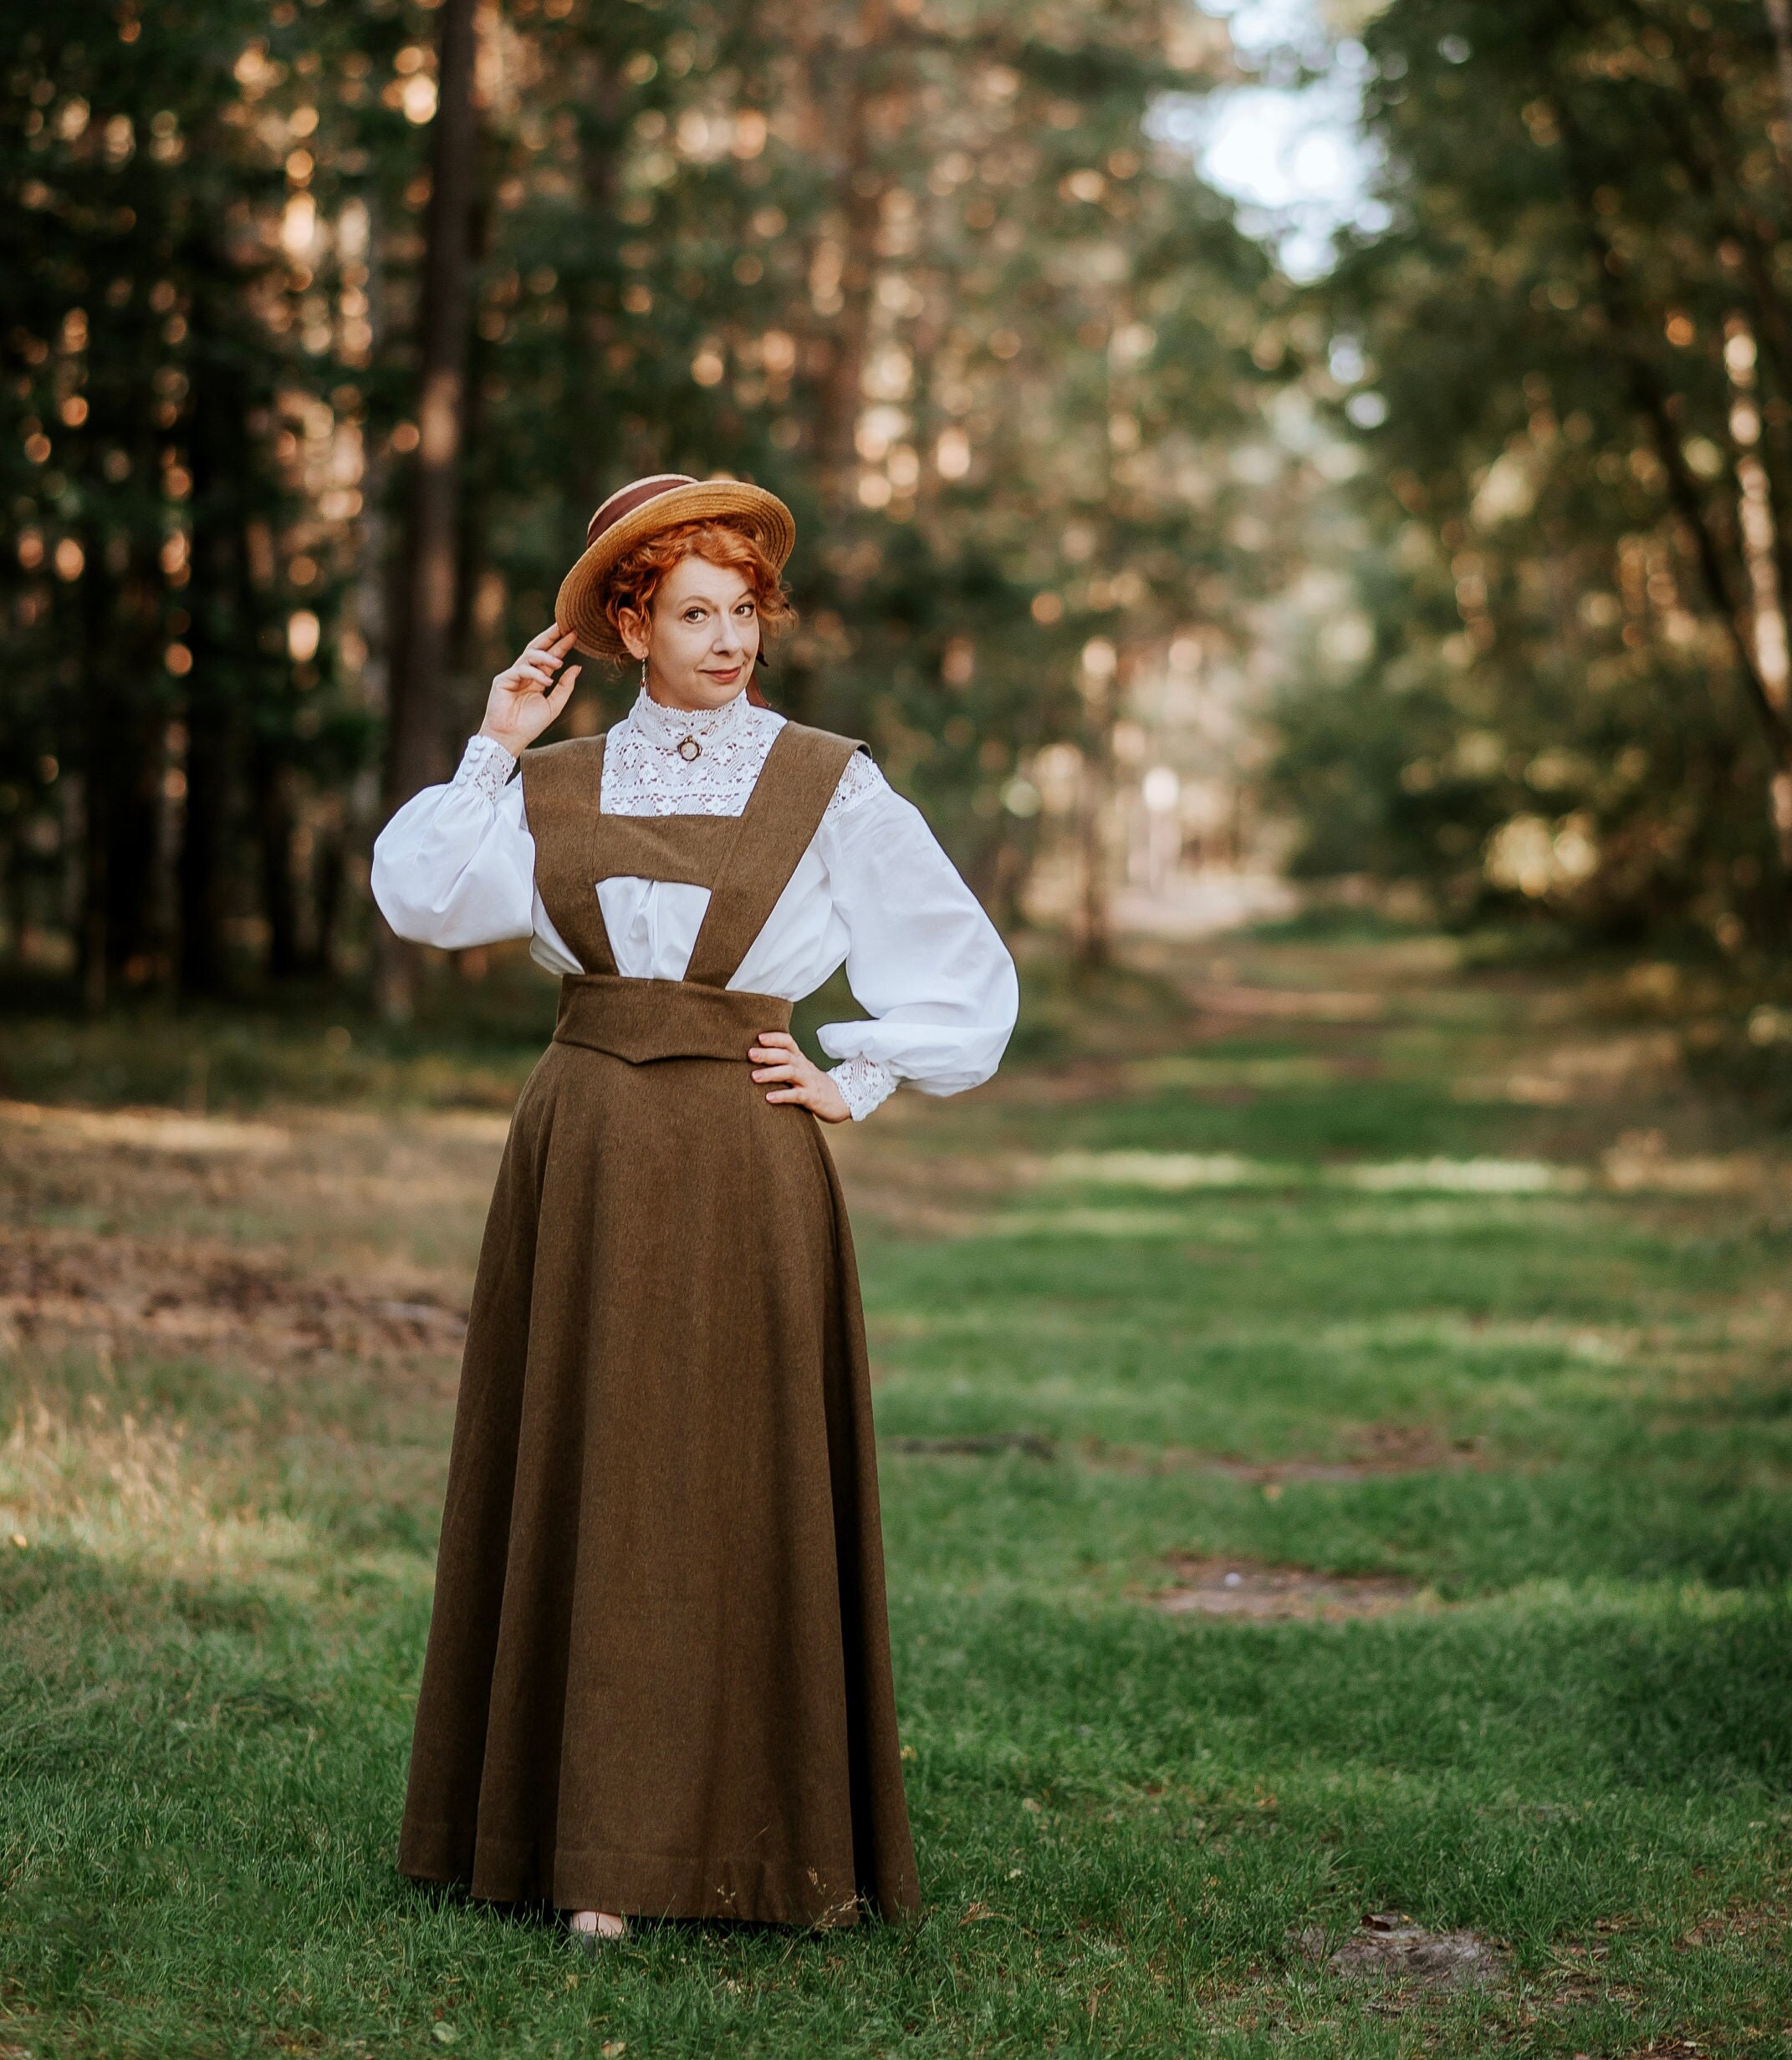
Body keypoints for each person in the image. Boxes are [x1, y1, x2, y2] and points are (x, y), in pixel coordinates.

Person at [370, 472, 1018, 1940]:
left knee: (734, 1478)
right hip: (586, 1146)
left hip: (743, 1155)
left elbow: (960, 974)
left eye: (746, 613)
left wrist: (863, 1073)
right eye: (695, 613)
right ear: (629, 622)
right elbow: (423, 897)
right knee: (591, 1472)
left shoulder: (827, 782)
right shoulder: (553, 782)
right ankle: (581, 1851)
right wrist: (495, 742)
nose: (732, 642)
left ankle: (758, 1839)